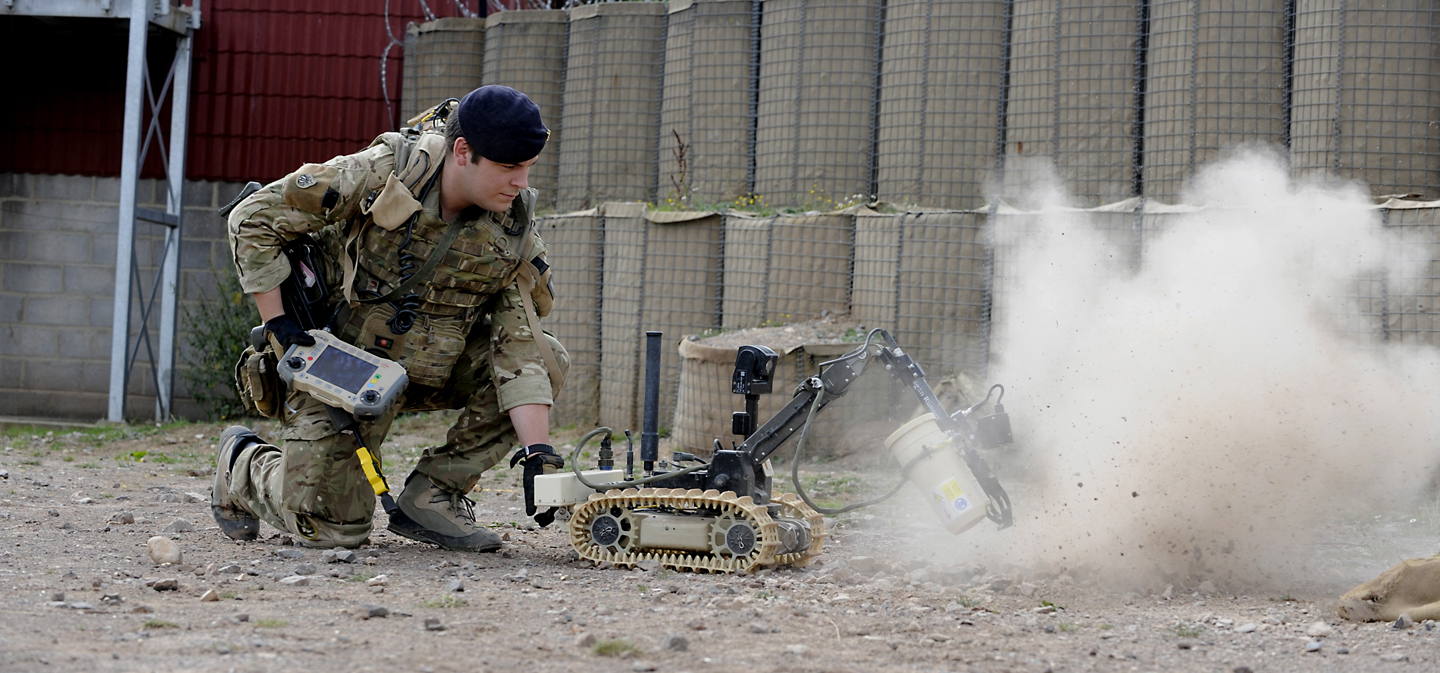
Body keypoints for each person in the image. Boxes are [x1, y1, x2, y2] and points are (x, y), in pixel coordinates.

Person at [212, 85, 568, 551]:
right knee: (333, 529)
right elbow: (252, 218)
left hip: (435, 367)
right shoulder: (383, 173)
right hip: (344, 371)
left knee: (549, 356)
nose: (521, 182)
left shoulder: (512, 228)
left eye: (527, 168)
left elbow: (520, 347)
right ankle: (242, 464)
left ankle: (435, 495)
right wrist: (279, 324)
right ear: (464, 152)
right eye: (508, 167)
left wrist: (536, 453)